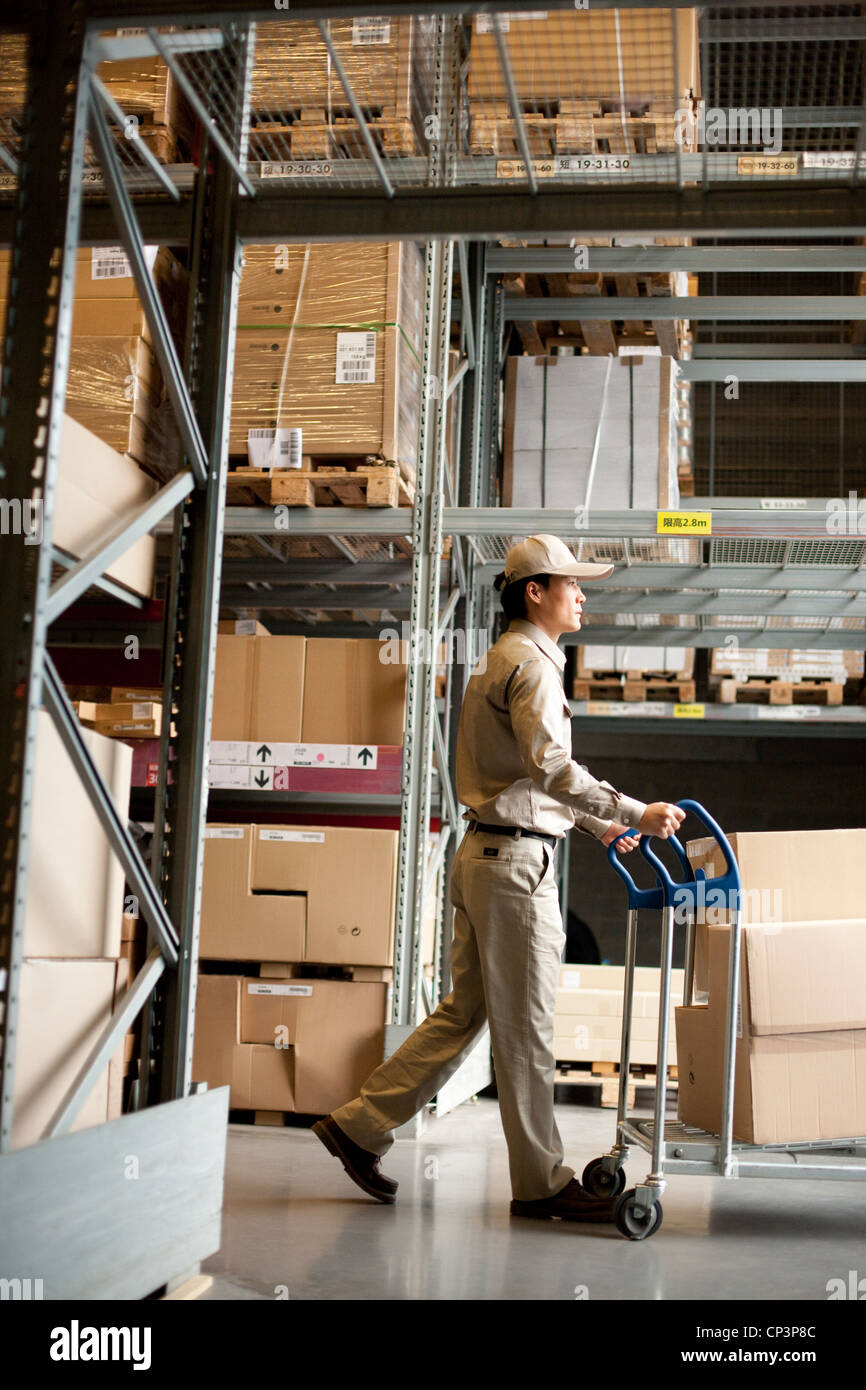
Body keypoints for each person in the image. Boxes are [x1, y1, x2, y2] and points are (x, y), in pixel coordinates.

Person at [314, 534, 686, 1222]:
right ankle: (540, 1184)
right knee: (527, 1027)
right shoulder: (534, 668)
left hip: (486, 855)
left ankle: (360, 1125)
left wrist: (600, 827)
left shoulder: (505, 659)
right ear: (534, 592)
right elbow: (551, 769)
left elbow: (519, 776)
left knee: (468, 1014)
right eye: (570, 582)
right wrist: (635, 808)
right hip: (514, 869)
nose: (582, 593)